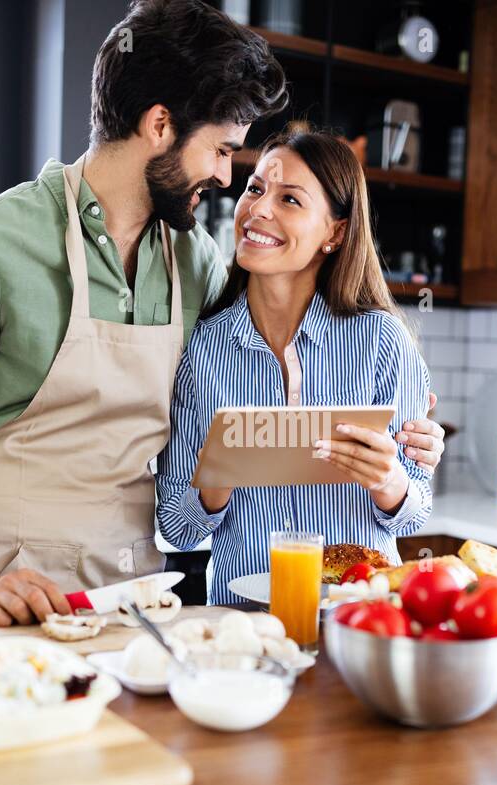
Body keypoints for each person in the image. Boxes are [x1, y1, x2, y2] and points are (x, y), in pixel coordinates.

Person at [0, 0, 449, 626]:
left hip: (133, 605)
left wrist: (413, 445)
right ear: (159, 125)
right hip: (1, 605)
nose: (228, 178)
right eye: (224, 150)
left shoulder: (194, 263)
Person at [157, 129, 432, 604]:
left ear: (336, 232)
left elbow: (415, 513)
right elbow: (177, 529)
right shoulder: (203, 351)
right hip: (244, 623)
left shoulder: (382, 344)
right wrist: (217, 478)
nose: (259, 209)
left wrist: (390, 482)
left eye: (290, 199)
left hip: (356, 620)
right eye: (256, 189)